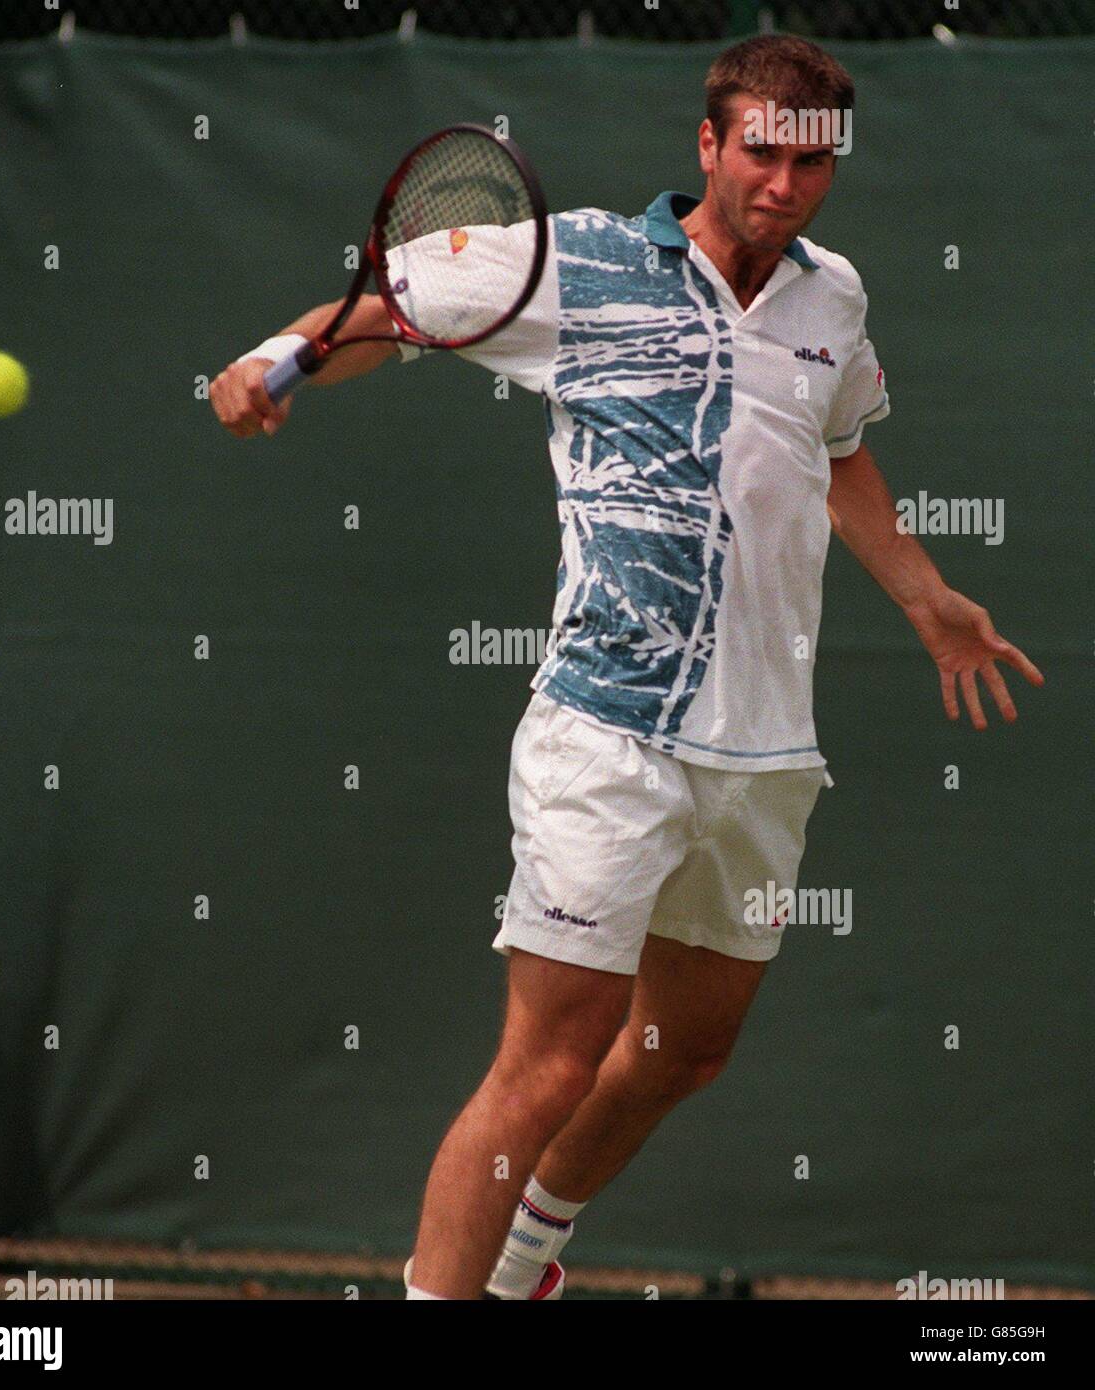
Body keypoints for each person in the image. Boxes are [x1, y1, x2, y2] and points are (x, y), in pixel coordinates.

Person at [209, 34, 1044, 1301]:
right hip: (610, 727)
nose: (783, 179)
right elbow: (384, 306)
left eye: (810, 159)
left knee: (679, 1052)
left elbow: (837, 451)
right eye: (759, 150)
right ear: (706, 144)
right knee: (548, 1060)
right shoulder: (576, 261)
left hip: (762, 751)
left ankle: (526, 1260)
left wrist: (926, 598)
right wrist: (279, 358)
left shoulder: (833, 297)